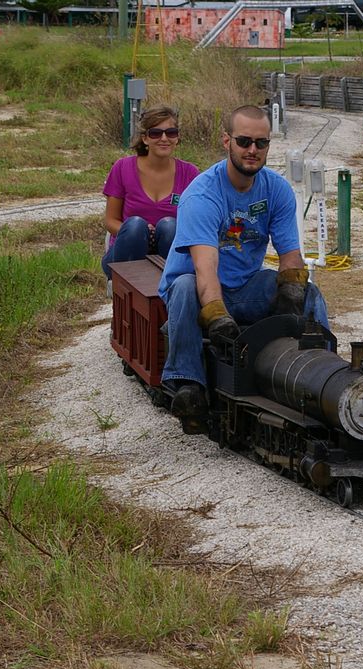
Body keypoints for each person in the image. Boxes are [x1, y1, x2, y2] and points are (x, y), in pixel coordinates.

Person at [158, 104, 330, 431]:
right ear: (227, 141)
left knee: (308, 292)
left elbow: (290, 256)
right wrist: (217, 316)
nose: (252, 150)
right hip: (198, 289)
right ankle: (187, 383)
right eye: (244, 141)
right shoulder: (202, 195)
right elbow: (205, 267)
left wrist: (291, 295)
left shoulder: (277, 190)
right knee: (181, 286)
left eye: (261, 143)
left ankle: (322, 370)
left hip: (245, 287)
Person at [101, 105, 200, 279]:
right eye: (155, 133)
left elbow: (196, 223)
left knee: (170, 225)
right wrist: (145, 233)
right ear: (145, 138)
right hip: (126, 253)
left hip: (169, 252)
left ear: (177, 137)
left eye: (171, 133)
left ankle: (173, 290)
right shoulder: (122, 168)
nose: (164, 138)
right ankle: (125, 292)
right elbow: (110, 220)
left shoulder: (190, 174)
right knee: (135, 225)